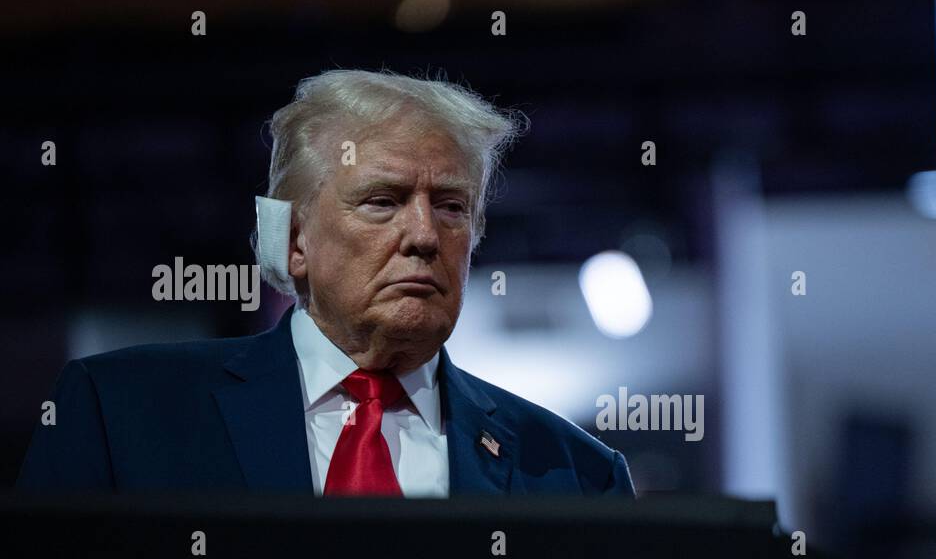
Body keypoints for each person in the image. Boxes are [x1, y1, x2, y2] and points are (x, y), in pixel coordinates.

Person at [17, 70, 634, 497]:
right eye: (382, 201)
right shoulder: (120, 416)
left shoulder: (575, 474)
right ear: (293, 240)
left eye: (450, 206)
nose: (424, 235)